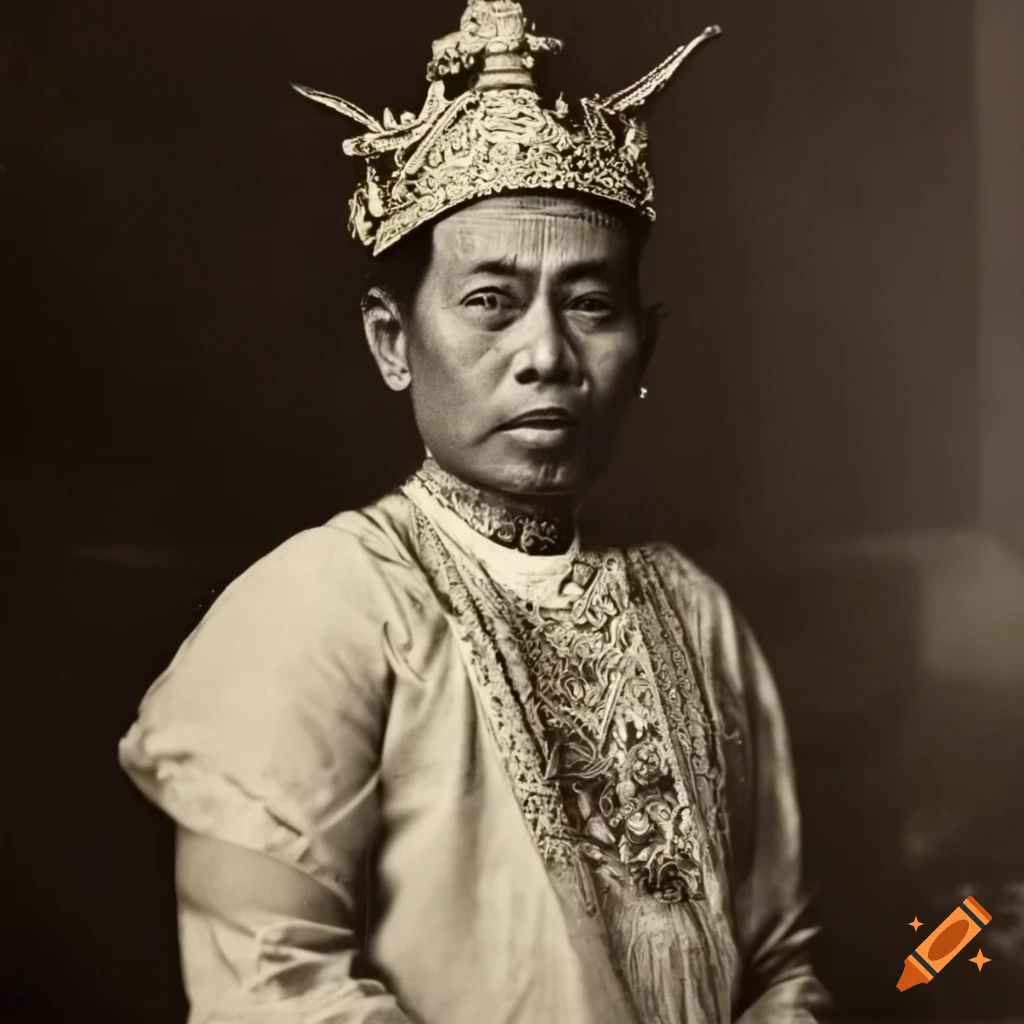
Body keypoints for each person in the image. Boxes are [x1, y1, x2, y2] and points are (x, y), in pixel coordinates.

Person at [119, 3, 829, 1021]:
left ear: (644, 351)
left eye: (590, 304)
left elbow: (782, 961)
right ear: (391, 340)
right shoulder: (319, 606)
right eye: (491, 300)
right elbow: (274, 990)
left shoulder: (696, 613)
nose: (546, 353)